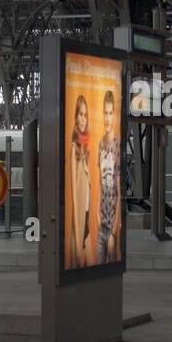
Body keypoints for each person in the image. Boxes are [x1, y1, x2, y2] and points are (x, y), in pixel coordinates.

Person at [96, 91, 121, 264]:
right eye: (105, 113)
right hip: (101, 223)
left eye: (110, 113)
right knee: (97, 267)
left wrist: (113, 230)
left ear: (115, 115)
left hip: (113, 224)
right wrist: (98, 219)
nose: (107, 118)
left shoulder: (117, 145)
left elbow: (119, 193)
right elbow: (99, 184)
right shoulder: (101, 144)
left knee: (111, 264)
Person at [70, 95, 90, 268]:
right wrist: (77, 238)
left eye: (85, 114)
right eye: (80, 114)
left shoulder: (85, 148)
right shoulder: (73, 149)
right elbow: (75, 198)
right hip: (79, 225)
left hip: (88, 219)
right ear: (75, 117)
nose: (83, 118)